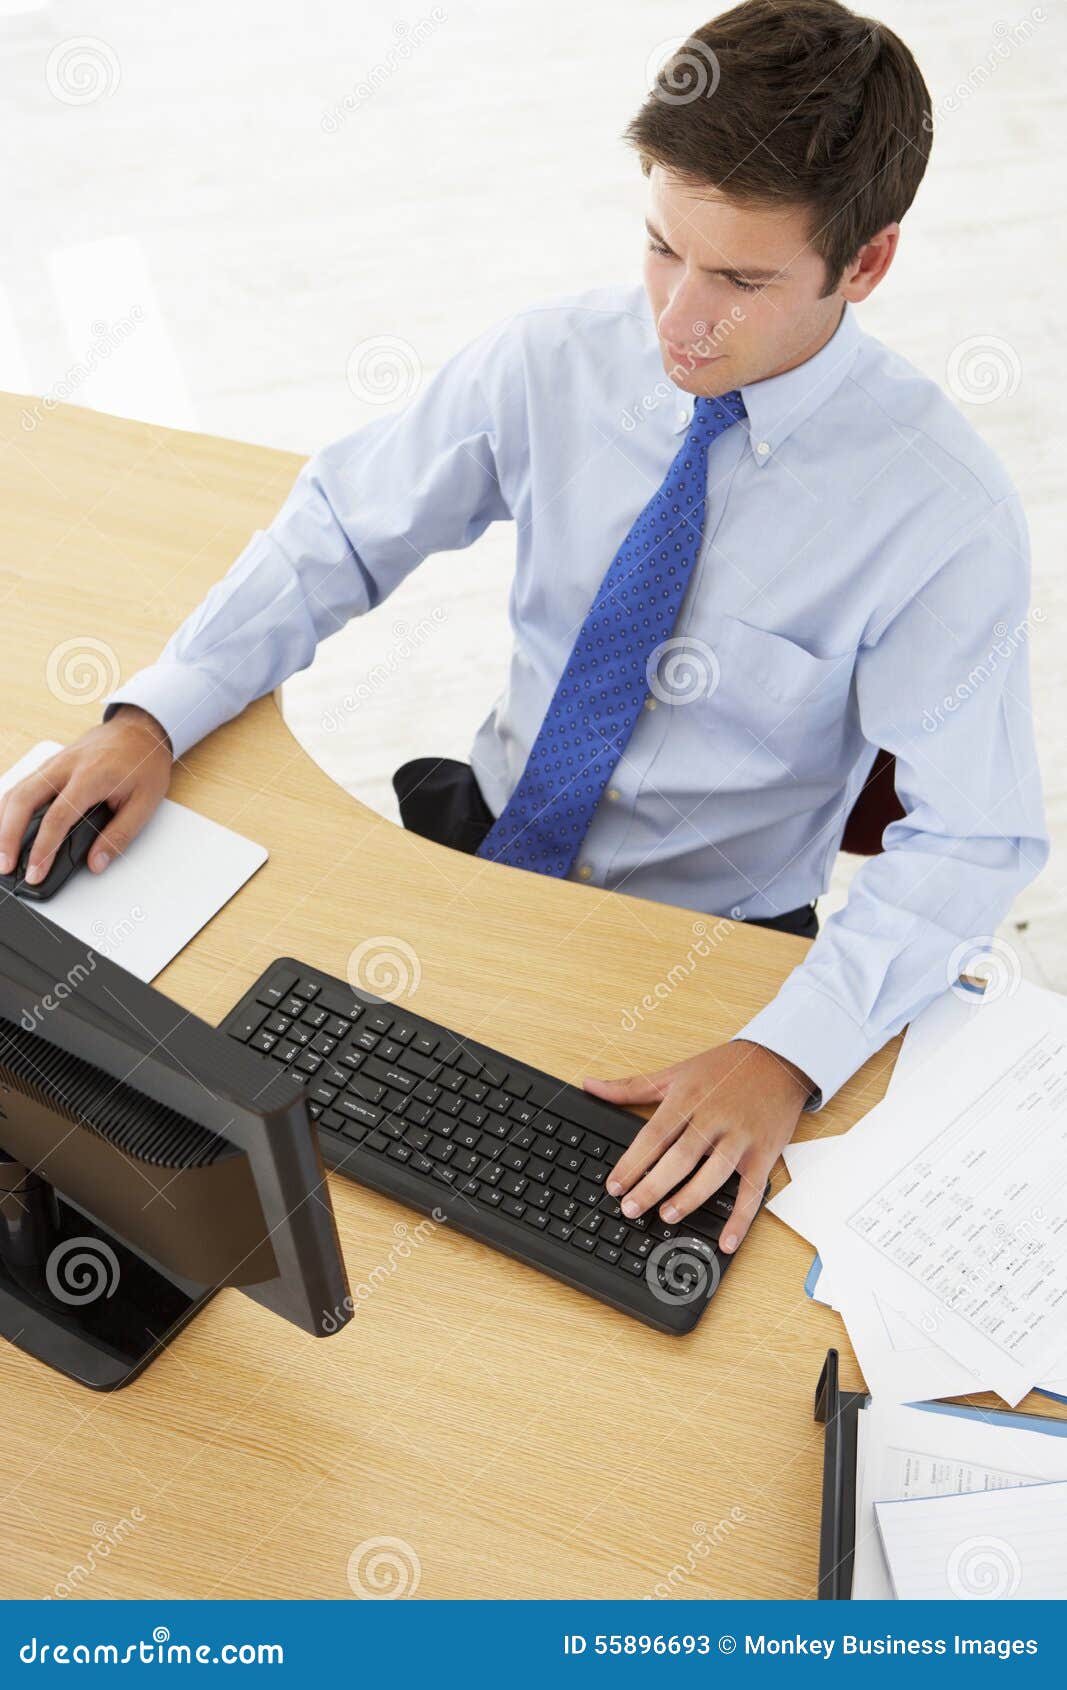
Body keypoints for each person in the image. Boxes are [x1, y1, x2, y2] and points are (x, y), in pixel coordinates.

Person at [0, 0, 1046, 1255]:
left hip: (699, 947)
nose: (676, 319)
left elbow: (973, 837)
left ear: (864, 264)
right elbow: (342, 524)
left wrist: (787, 1050)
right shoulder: (558, 359)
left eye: (740, 279)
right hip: (474, 849)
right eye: (661, 247)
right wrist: (154, 712)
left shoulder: (940, 515)